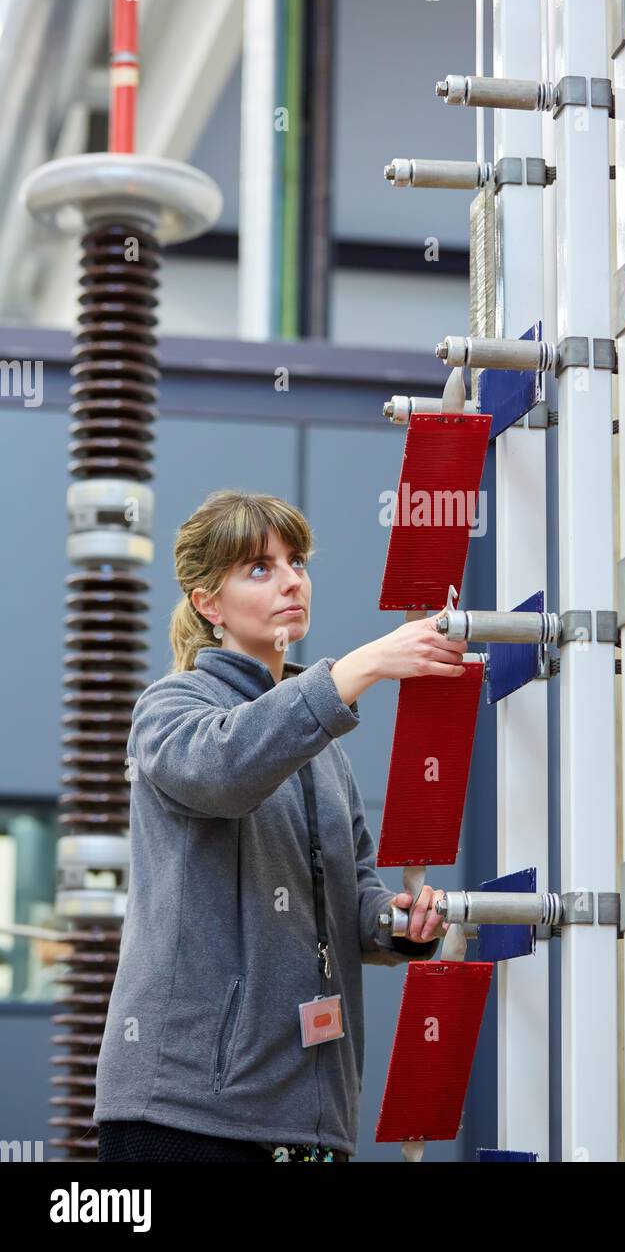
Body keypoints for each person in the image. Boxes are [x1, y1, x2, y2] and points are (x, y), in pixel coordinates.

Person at [93, 489, 467, 1162]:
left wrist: (397, 922)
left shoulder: (322, 747)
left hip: (307, 1121)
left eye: (296, 560)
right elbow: (229, 768)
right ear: (208, 603)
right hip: (184, 1117)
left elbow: (353, 899)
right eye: (259, 568)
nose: (291, 579)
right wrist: (363, 667)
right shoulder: (169, 710)